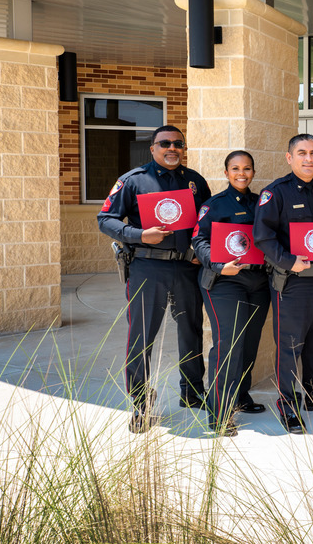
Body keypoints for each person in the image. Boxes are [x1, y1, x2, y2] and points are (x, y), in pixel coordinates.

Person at [96, 125, 211, 433]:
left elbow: (207, 222)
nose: (172, 148)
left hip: (187, 268)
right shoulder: (133, 181)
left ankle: (192, 392)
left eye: (178, 143)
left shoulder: (195, 182)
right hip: (148, 268)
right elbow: (105, 220)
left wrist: (204, 250)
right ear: (153, 148)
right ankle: (141, 403)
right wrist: (139, 234)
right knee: (141, 337)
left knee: (191, 331)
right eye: (165, 143)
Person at [253, 134, 313, 435]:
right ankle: (288, 406)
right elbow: (262, 236)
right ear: (289, 157)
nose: (308, 158)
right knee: (289, 347)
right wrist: (286, 260)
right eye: (301, 153)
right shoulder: (276, 193)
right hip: (292, 283)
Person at [191, 150, 270, 437]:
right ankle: (220, 414)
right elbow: (198, 240)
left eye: (247, 168)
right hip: (224, 282)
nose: (241, 173)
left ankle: (240, 396)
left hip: (258, 282)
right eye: (235, 168)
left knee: (249, 344)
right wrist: (218, 264)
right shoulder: (213, 205)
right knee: (228, 345)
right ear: (226, 173)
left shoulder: (262, 203)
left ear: (252, 172)